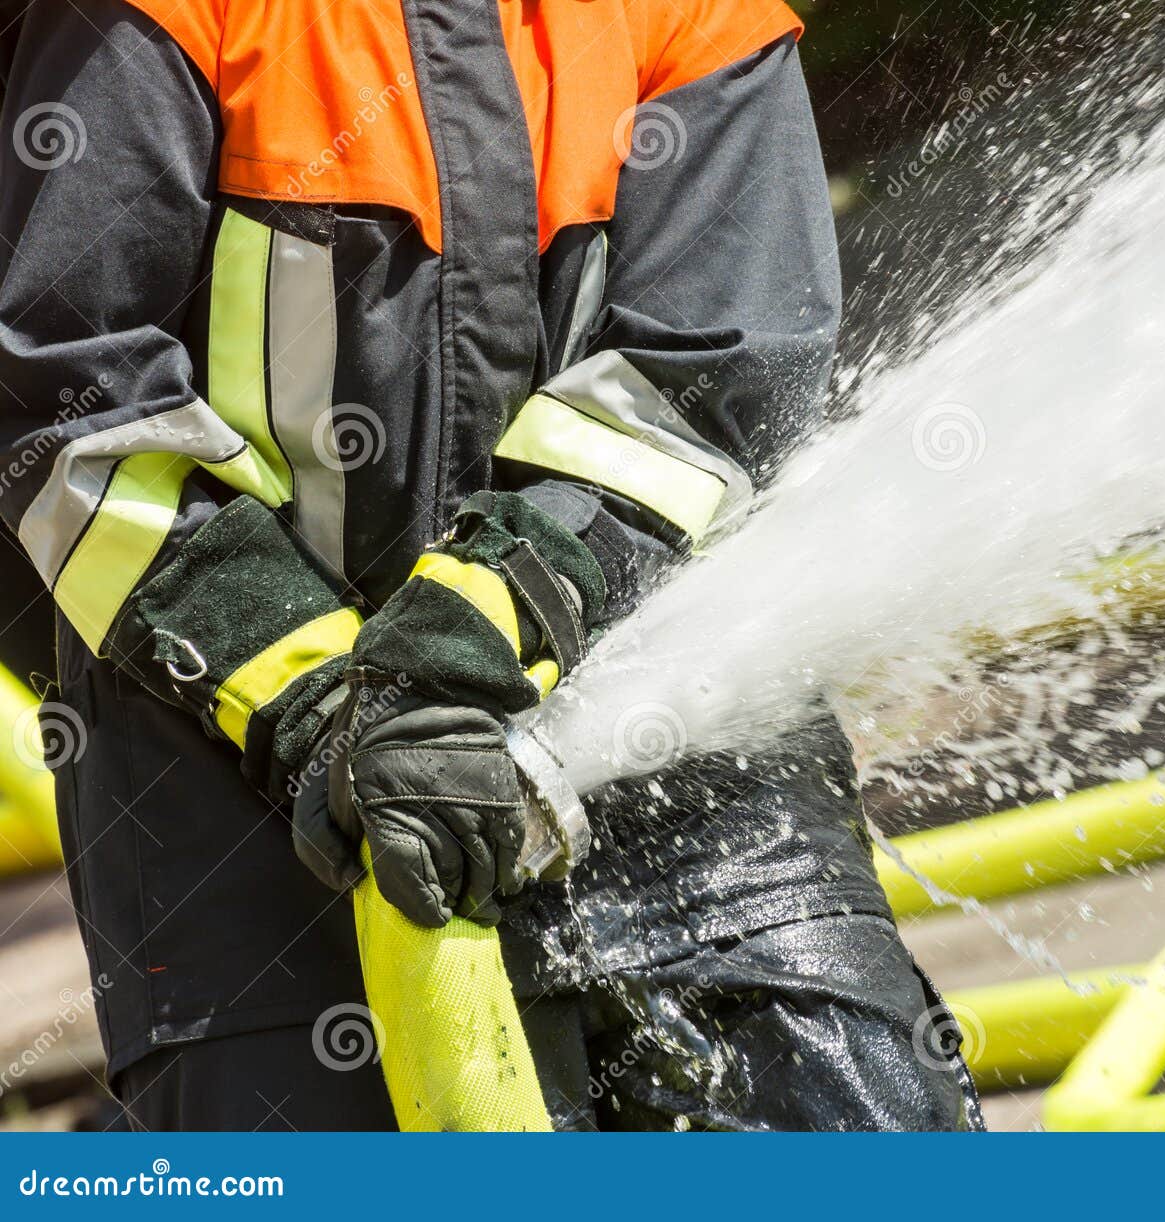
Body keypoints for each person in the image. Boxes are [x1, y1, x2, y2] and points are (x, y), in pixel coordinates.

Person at [0, 0, 982, 1131]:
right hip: (252, 845)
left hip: (701, 802)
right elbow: (68, 410)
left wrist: (459, 650)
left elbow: (719, 374)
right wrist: (321, 708)